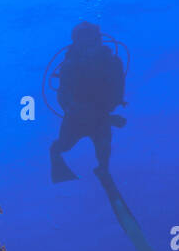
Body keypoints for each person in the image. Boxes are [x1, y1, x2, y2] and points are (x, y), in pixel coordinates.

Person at [49, 21, 126, 182]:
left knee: (103, 150)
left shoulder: (112, 64)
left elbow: (117, 95)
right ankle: (57, 160)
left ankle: (103, 171)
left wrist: (107, 116)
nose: (88, 45)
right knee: (63, 146)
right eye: (83, 40)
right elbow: (63, 97)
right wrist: (106, 118)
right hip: (75, 119)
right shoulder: (69, 67)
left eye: (91, 39)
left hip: (100, 119)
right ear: (76, 43)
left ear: (99, 40)